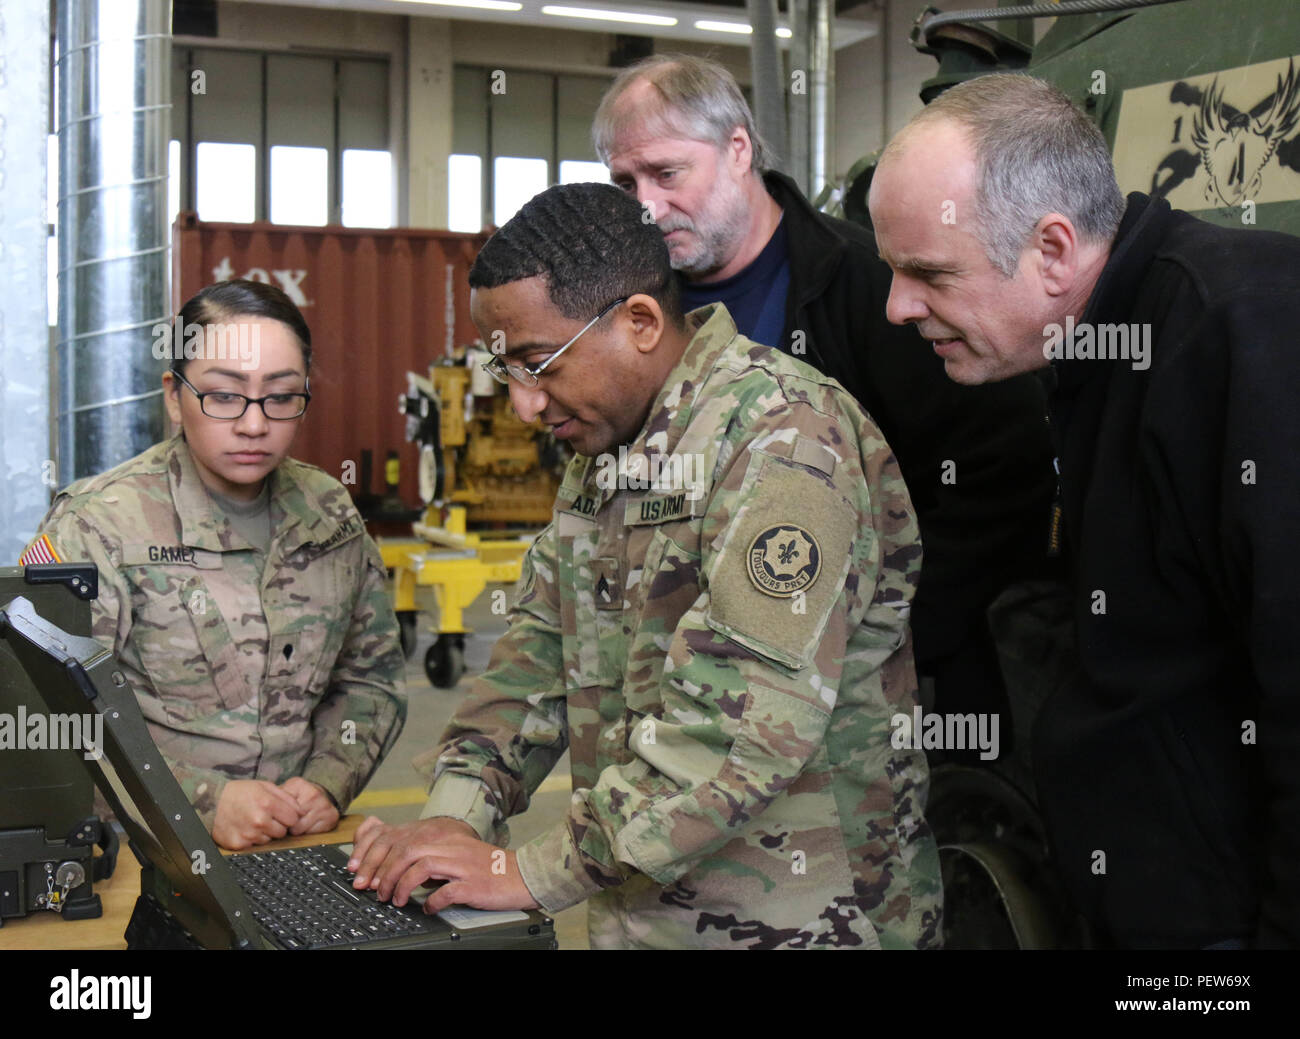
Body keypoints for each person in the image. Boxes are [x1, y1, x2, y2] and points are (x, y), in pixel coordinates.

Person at [347, 183, 943, 949]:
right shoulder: (605, 456)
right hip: (645, 918)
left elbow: (735, 733)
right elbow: (538, 661)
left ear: (638, 321)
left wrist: (526, 872)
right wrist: (451, 821)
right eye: (509, 372)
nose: (526, 406)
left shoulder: (787, 442)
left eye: (539, 363)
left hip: (802, 924)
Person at [867, 72, 1300, 949]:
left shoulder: (1242, 337)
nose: (897, 306)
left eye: (927, 273)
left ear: (1053, 251)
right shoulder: (1096, 348)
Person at [590, 55, 1059, 753]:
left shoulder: (871, 291)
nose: (646, 207)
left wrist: (884, 643)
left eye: (666, 173)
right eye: (625, 182)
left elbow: (1003, 475)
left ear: (738, 148)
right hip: (688, 708)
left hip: (861, 719)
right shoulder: (631, 313)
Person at [20, 279, 406, 851]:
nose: (254, 424)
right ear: (173, 396)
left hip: (293, 846)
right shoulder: (99, 524)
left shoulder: (328, 512)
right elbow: (44, 717)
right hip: (143, 855)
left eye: (280, 396)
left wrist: (328, 781)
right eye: (224, 396)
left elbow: (370, 676)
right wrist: (202, 802)